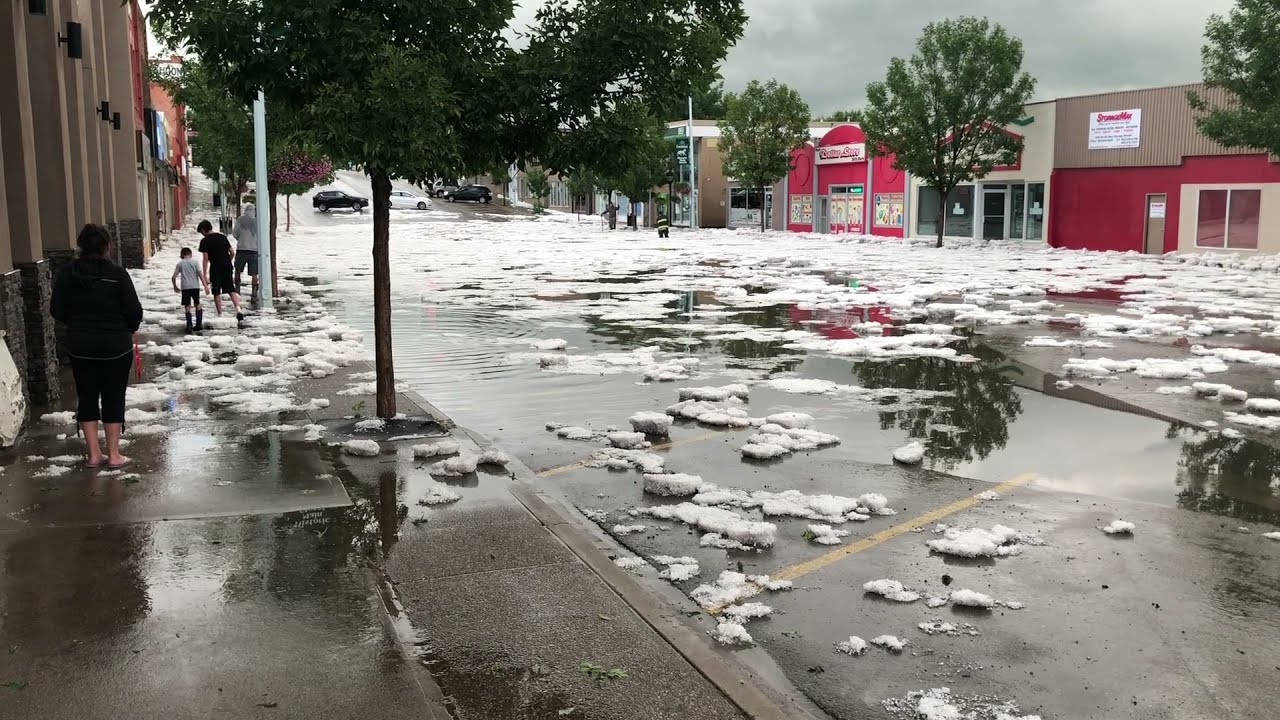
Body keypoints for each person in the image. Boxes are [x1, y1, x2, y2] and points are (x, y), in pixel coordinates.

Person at [50, 224, 144, 469]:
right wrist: (128, 326)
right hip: (115, 345)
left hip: (80, 345)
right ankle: (114, 455)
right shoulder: (117, 274)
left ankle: (94, 454)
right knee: (114, 396)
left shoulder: (67, 274)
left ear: (81, 246)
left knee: (87, 396)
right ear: (107, 246)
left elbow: (56, 310)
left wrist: (76, 323)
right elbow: (134, 310)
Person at [197, 219, 243, 323]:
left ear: (204, 230)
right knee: (231, 289)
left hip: (215, 267)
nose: (202, 235)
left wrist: (205, 275)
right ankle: (238, 309)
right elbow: (232, 252)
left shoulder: (205, 241)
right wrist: (228, 261)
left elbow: (205, 259)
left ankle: (220, 314)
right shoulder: (222, 237)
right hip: (227, 266)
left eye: (201, 232)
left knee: (216, 291)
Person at [172, 247, 208, 333]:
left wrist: (175, 286)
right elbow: (200, 274)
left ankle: (189, 325)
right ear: (190, 254)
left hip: (185, 287)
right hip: (195, 286)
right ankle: (198, 324)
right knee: (197, 304)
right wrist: (205, 285)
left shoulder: (180, 264)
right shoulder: (195, 262)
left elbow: (173, 277)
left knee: (187, 305)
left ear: (182, 255)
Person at [232, 204, 259, 298]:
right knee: (254, 273)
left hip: (241, 249)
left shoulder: (240, 220)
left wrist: (241, 239)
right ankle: (254, 292)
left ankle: (237, 290)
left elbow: (235, 233)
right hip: (254, 250)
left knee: (238, 270)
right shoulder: (257, 221)